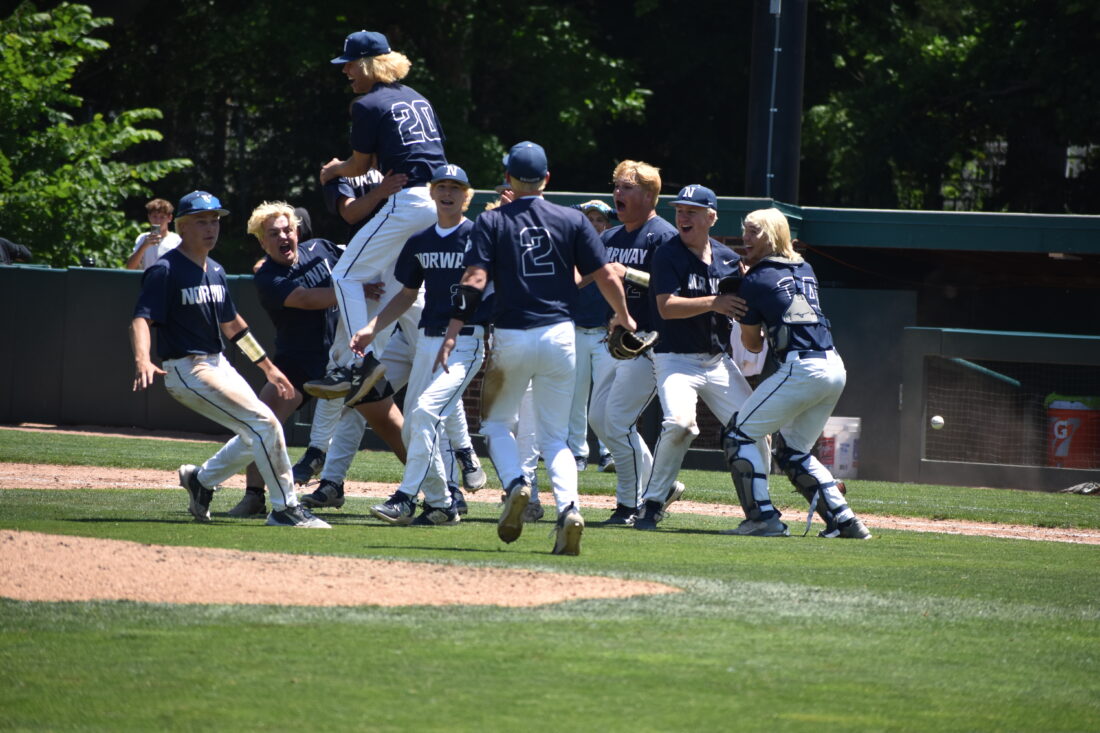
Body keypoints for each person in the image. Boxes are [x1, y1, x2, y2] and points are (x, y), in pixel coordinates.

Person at [435, 141, 636, 556]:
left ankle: (515, 484)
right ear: (547, 179)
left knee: (494, 425)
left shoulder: (490, 223)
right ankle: (569, 509)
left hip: (512, 334)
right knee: (556, 437)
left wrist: (454, 326)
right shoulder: (573, 219)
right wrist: (624, 315)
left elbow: (473, 279)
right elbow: (604, 275)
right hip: (561, 337)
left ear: (508, 178)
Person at [129, 191, 328, 528]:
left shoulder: (216, 270)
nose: (211, 228)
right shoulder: (166, 270)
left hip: (218, 362)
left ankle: (201, 481)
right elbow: (140, 318)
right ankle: (285, 508)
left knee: (259, 430)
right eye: (201, 222)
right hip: (188, 369)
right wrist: (142, 360)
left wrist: (269, 368)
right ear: (183, 226)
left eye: (215, 221)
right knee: (264, 425)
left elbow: (234, 326)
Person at [306, 30, 447, 408]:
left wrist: (333, 171)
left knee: (345, 274)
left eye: (350, 64)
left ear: (369, 64)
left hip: (410, 201)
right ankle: (451, 421)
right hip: (440, 202)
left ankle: (359, 362)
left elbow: (360, 165)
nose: (346, 71)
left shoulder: (367, 104)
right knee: (408, 291)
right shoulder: (419, 98)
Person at [227, 201, 392, 517]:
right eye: (273, 234)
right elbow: (306, 299)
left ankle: (429, 491)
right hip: (300, 362)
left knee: (385, 418)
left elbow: (357, 265)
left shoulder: (323, 248)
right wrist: (356, 291)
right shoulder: (267, 276)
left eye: (287, 229)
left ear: (297, 230)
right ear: (262, 242)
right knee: (261, 417)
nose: (282, 237)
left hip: (344, 355)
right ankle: (253, 495)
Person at [349, 164, 489, 526]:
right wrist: (372, 326)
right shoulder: (419, 241)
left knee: (425, 414)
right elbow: (407, 296)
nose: (447, 192)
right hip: (426, 342)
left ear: (466, 195)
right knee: (414, 427)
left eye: (455, 187)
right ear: (432, 192)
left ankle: (406, 498)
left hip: (465, 343)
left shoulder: (479, 237)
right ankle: (441, 503)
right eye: (441, 185)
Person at [721, 208, 872, 539]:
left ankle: (762, 519)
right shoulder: (806, 267)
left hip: (802, 368)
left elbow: (754, 346)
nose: (745, 238)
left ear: (774, 235)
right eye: (744, 231)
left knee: (738, 436)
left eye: (754, 232)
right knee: (792, 451)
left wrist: (742, 297)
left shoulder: (755, 280)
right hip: (833, 366)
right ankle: (845, 522)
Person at [632, 184, 758, 531]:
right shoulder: (667, 253)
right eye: (680, 210)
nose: (683, 217)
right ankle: (653, 502)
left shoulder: (729, 259)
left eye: (692, 211)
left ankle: (759, 507)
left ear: (711, 217)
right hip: (675, 359)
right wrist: (714, 302)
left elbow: (746, 301)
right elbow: (666, 307)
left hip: (717, 360)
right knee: (681, 425)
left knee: (757, 427)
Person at [587, 160, 678, 524]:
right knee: (598, 418)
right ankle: (660, 486)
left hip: (654, 344)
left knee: (617, 421)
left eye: (626, 187)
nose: (617, 193)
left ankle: (630, 504)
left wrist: (631, 274)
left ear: (649, 194)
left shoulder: (664, 236)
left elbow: (672, 289)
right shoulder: (610, 238)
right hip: (620, 343)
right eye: (616, 186)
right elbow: (583, 275)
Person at [569, 200, 618, 473]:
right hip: (576, 331)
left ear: (607, 225)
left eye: (600, 220)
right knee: (576, 397)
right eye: (591, 218)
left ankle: (609, 453)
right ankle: (578, 452)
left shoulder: (613, 252)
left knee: (606, 396)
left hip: (603, 334)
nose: (596, 224)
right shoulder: (573, 251)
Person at [126, 198, 181, 271]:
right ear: (149, 217)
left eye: (162, 217)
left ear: (169, 218)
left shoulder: (177, 240)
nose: (158, 221)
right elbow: (130, 268)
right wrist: (143, 246)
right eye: (154, 216)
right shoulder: (143, 238)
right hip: (148, 280)